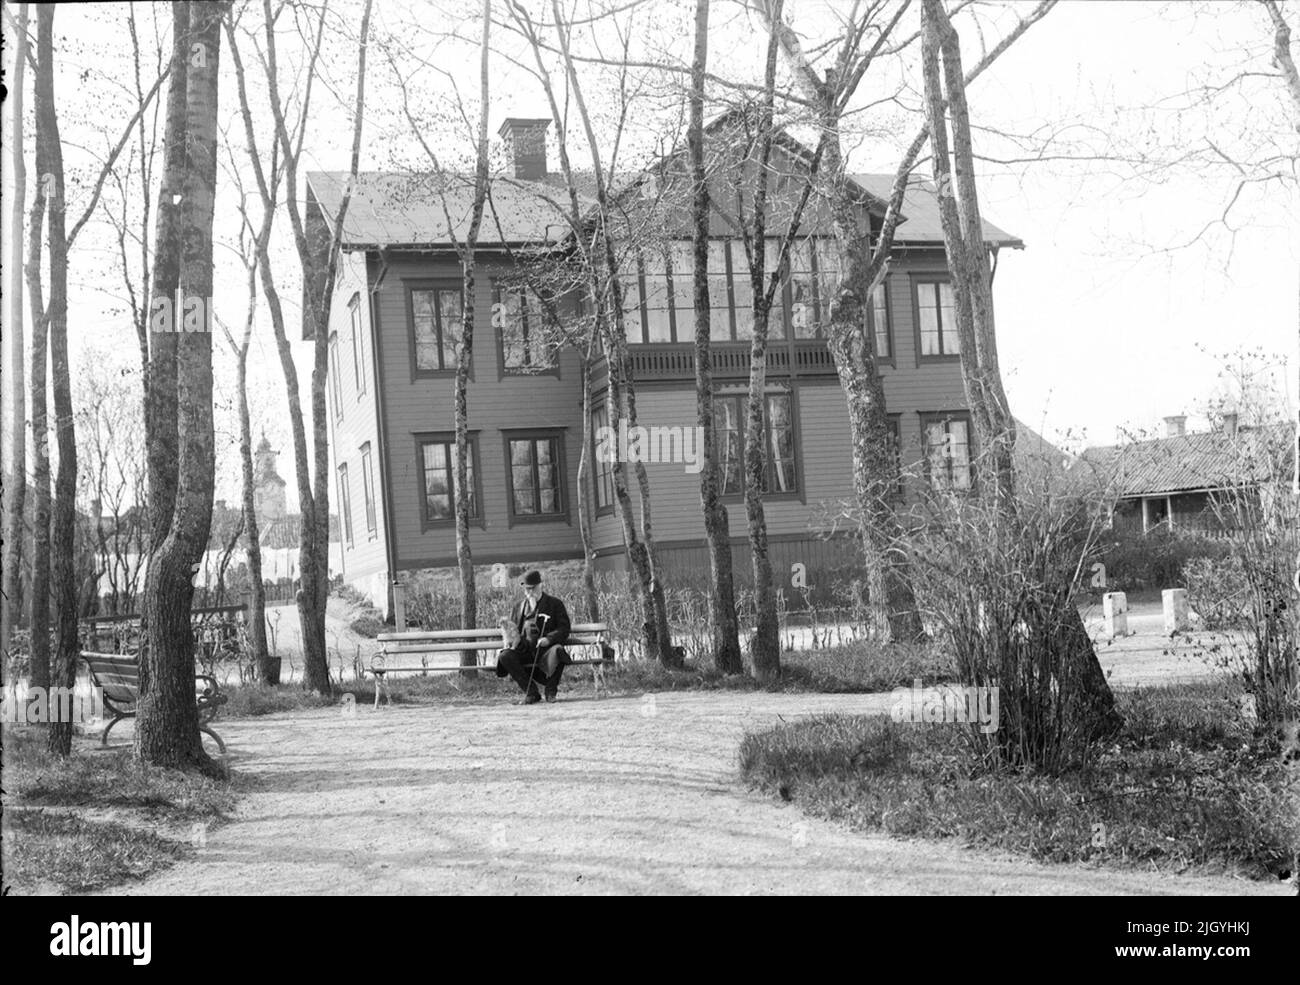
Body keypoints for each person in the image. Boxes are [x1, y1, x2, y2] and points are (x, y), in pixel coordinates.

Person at [495, 569, 572, 704]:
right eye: (527, 589)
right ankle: (531, 693)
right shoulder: (518, 607)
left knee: (559, 651)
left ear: (540, 586)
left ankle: (550, 692)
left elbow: (564, 628)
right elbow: (513, 630)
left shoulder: (555, 604)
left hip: (546, 649)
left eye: (532, 588)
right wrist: (509, 637)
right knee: (505, 656)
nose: (529, 592)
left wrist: (549, 639)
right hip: (525, 650)